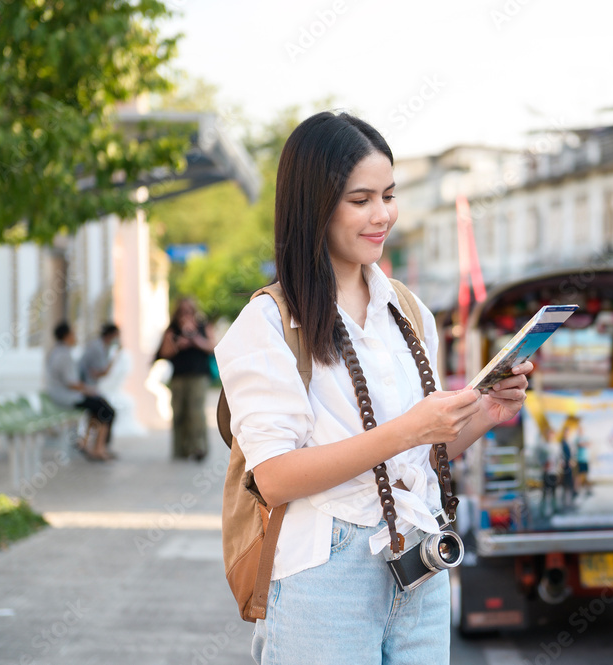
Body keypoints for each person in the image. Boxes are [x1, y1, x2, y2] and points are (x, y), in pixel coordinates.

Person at [214, 111, 531, 665]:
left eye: (388, 194)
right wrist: (409, 428)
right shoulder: (266, 325)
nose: (382, 215)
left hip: (420, 562)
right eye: (360, 200)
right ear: (315, 206)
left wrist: (482, 415)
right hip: (326, 573)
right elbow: (275, 477)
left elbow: (416, 457)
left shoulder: (406, 310)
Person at [44, 322, 115, 461]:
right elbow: (72, 383)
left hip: (63, 395)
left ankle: (87, 444)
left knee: (98, 407)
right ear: (66, 336)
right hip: (67, 397)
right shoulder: (63, 355)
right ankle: (98, 448)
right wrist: (89, 390)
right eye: (73, 334)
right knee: (106, 410)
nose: (75, 337)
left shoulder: (57, 352)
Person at [156, 298, 214, 461]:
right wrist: (178, 344)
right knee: (179, 412)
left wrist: (195, 339)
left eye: (189, 311)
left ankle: (199, 447)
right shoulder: (172, 330)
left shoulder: (203, 326)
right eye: (183, 311)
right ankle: (181, 450)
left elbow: (212, 346)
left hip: (198, 375)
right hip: (179, 375)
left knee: (196, 412)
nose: (186, 315)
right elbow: (164, 353)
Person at [79, 323, 120, 447]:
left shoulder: (100, 346)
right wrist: (115, 357)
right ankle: (99, 448)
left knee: (96, 413)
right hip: (84, 391)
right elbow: (101, 372)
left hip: (88, 389)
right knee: (107, 413)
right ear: (111, 335)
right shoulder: (97, 348)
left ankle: (87, 444)